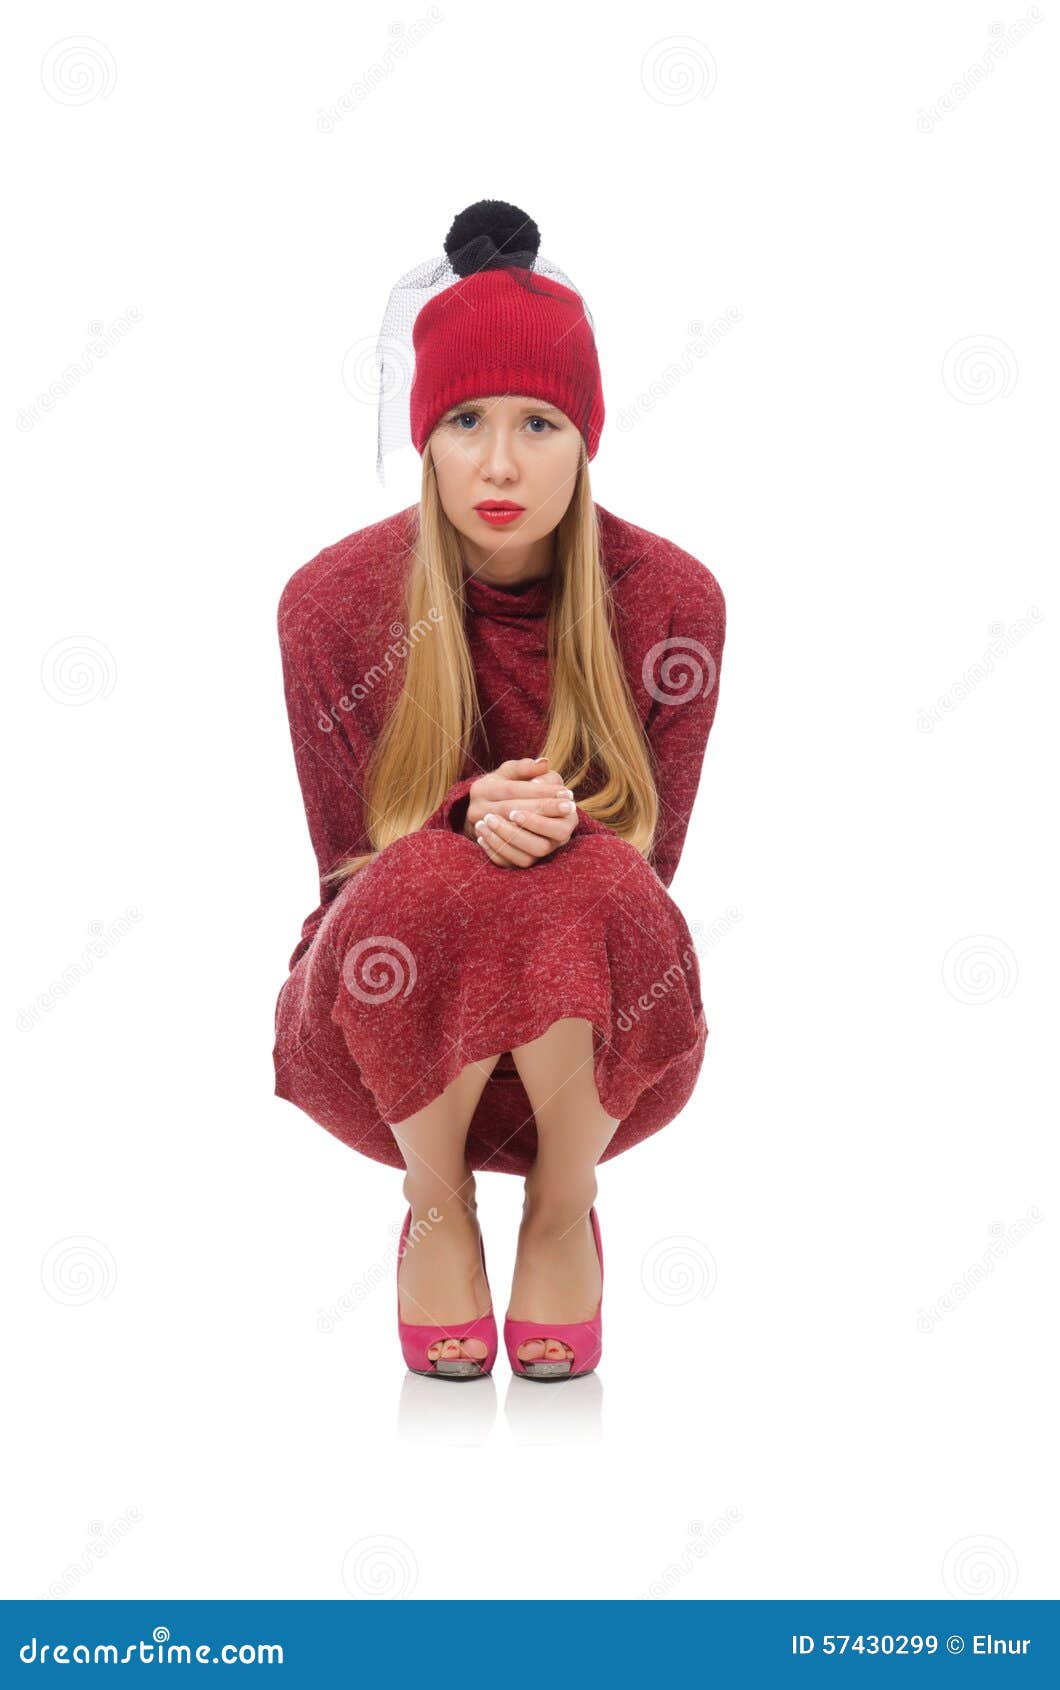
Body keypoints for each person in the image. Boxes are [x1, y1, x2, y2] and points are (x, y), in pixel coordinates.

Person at [272, 199, 727, 1382]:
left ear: (586, 437)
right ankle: (438, 1208)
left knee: (583, 877)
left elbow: (647, 884)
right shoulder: (330, 605)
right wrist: (460, 809)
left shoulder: (674, 603)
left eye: (540, 422)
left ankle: (557, 1208)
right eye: (466, 420)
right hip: (388, 1039)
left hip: (587, 1053)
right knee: (428, 866)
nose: (501, 464)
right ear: (424, 432)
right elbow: (345, 873)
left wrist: (555, 821)